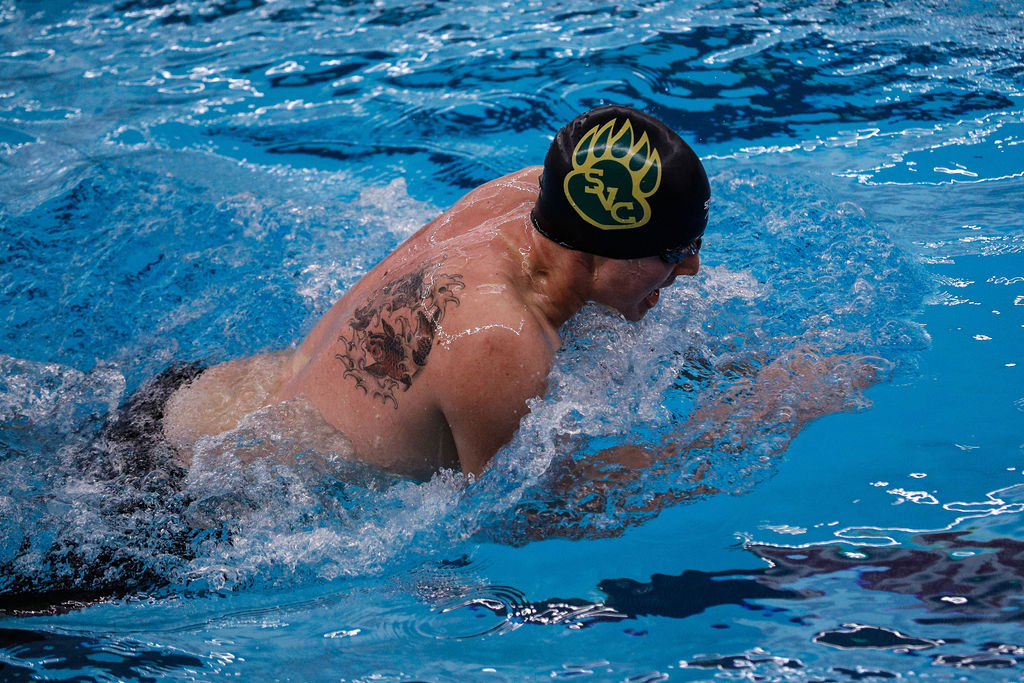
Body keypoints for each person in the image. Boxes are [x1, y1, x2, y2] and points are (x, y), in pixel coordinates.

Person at [156, 104, 872, 482]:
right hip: (209, 503)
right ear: (599, 253)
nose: (689, 273)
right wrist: (754, 420)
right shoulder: (502, 341)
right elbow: (537, 515)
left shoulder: (521, 200)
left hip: (193, 402)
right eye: (675, 253)